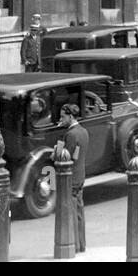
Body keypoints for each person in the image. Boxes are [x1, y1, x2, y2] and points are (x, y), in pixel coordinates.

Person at [59, 103, 89, 254]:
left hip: (70, 177)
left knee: (70, 211)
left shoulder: (70, 134)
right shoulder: (83, 131)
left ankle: (74, 245)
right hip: (81, 175)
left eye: (63, 116)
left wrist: (56, 152)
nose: (61, 119)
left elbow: (66, 156)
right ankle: (82, 244)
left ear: (70, 116)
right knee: (79, 211)